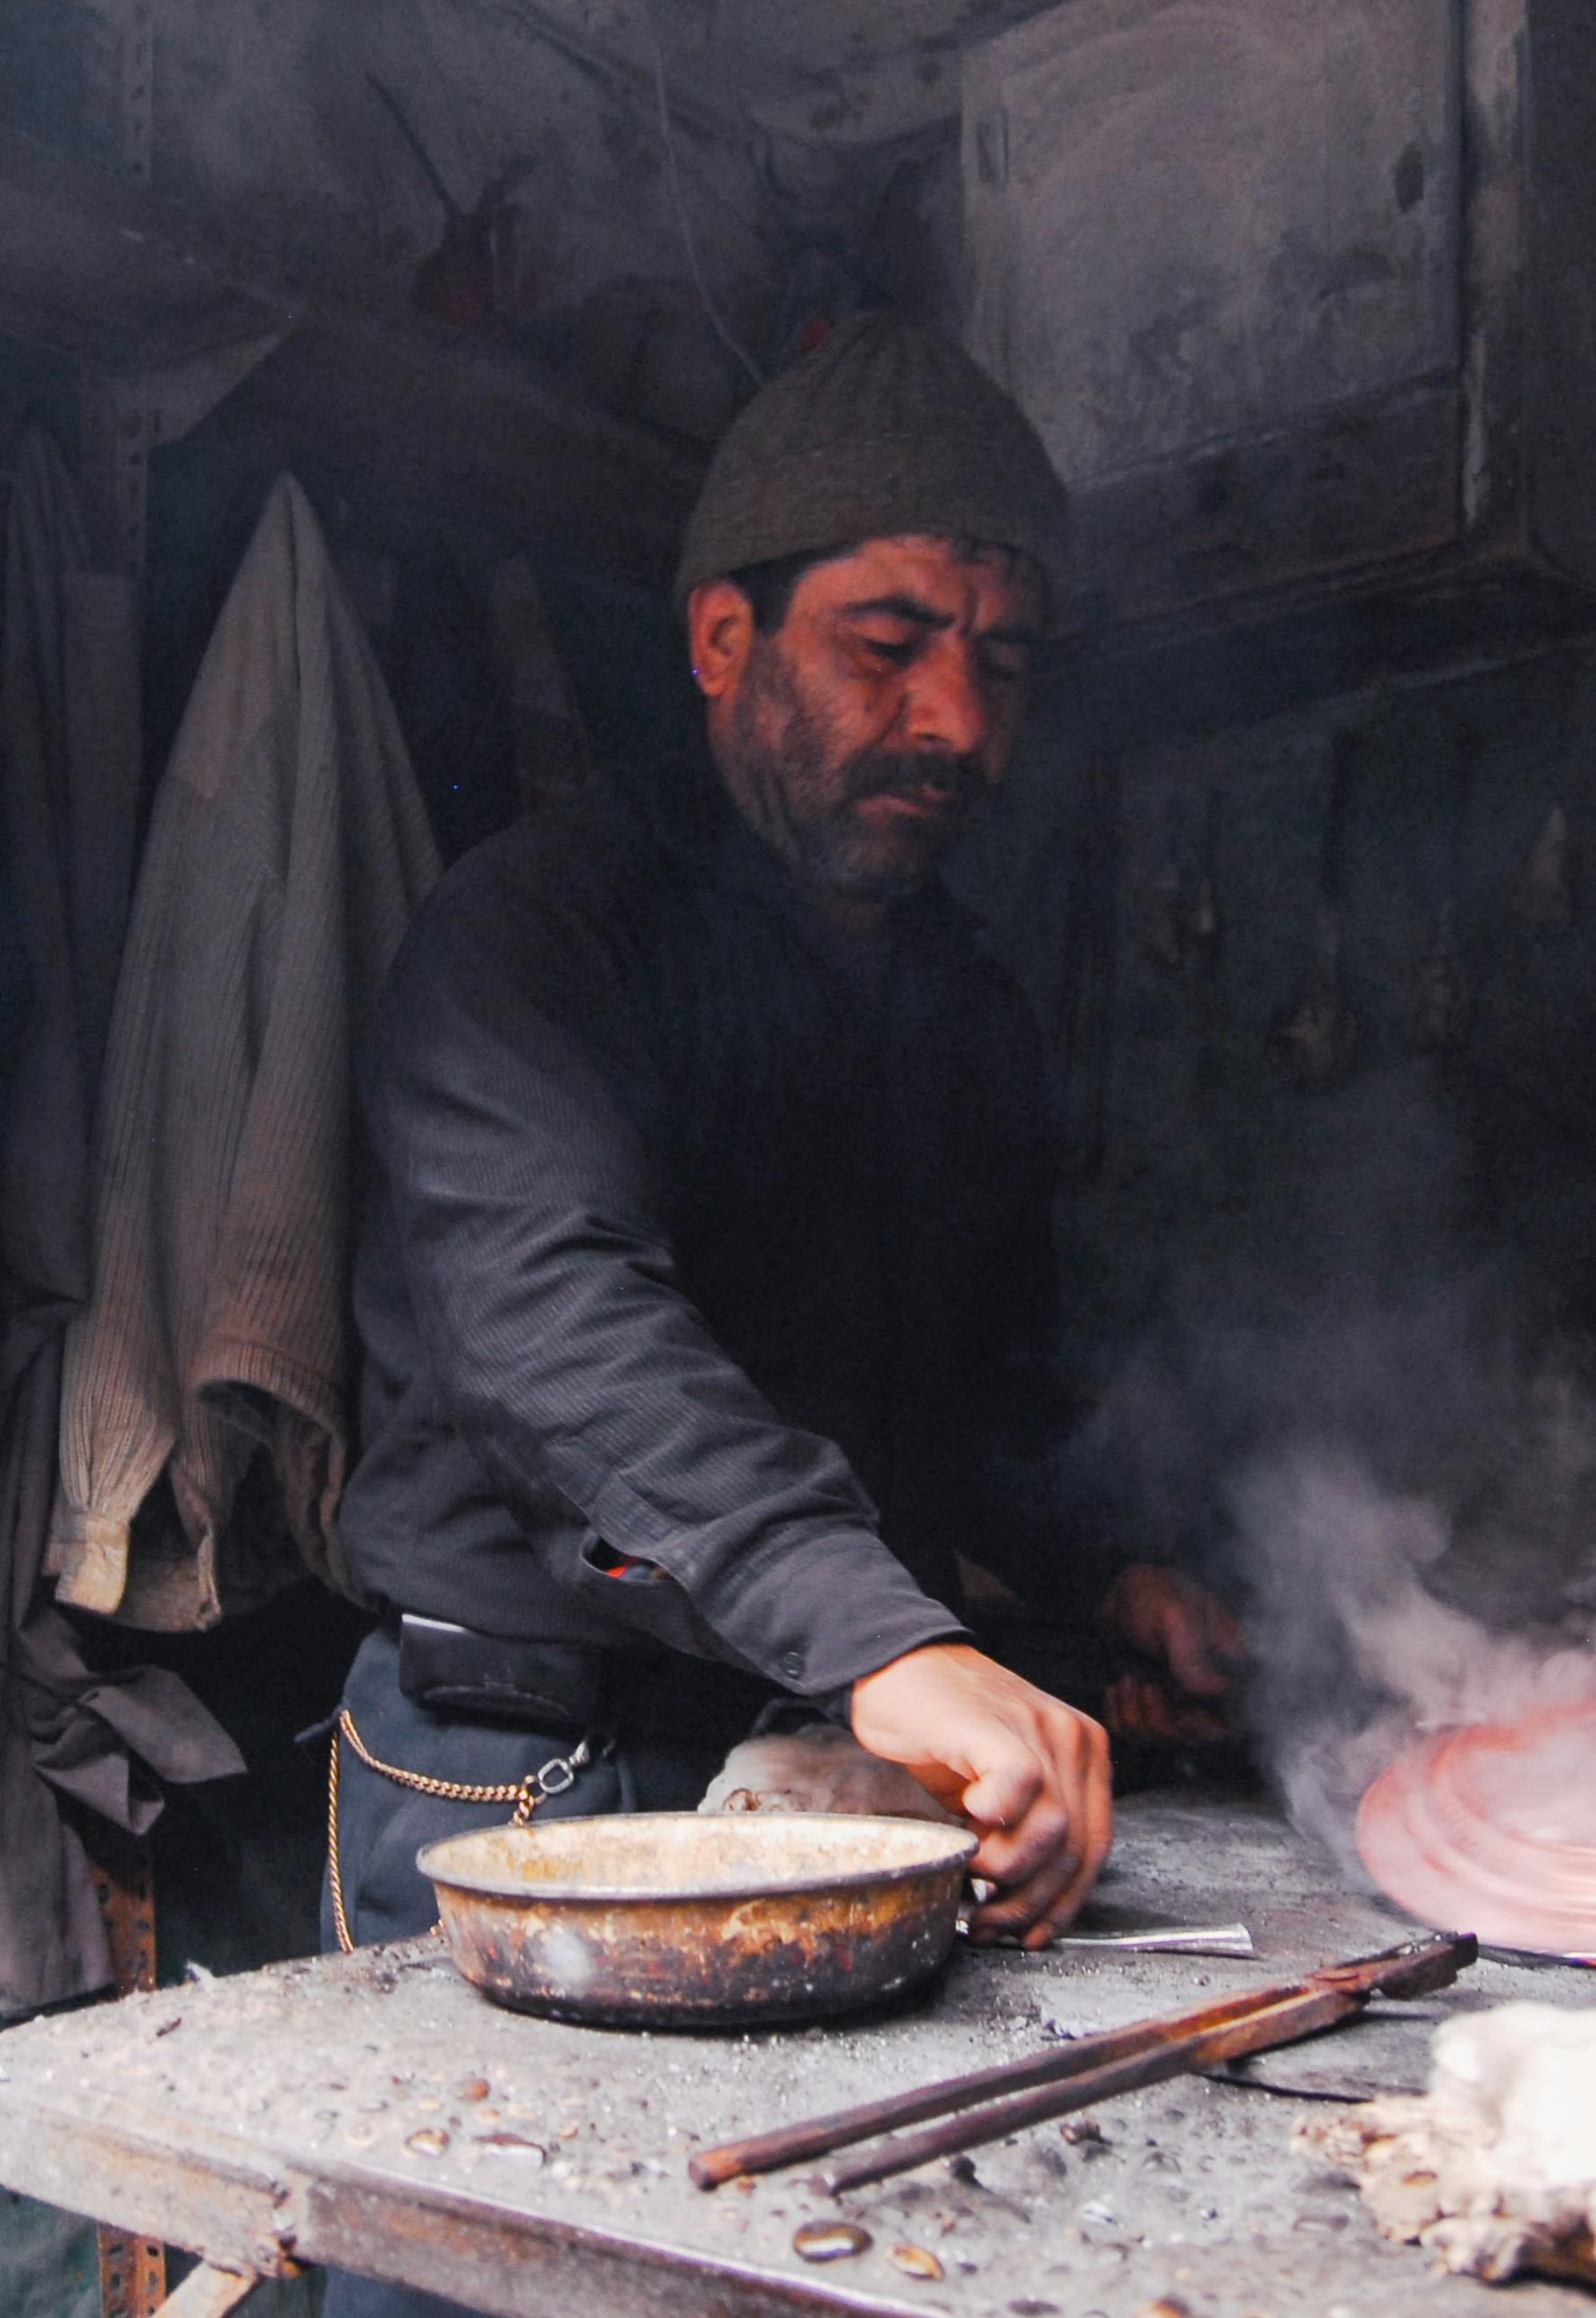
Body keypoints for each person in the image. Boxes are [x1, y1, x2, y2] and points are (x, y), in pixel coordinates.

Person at [319, 314, 1241, 2312]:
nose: (954, 723)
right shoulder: (533, 939)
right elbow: (555, 1328)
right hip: (526, 1769)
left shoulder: (964, 1003)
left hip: (821, 1753)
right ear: (721, 641)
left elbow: (977, 1376)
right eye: (885, 641)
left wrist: (1116, 1569)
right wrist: (893, 1634)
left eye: (998, 663)